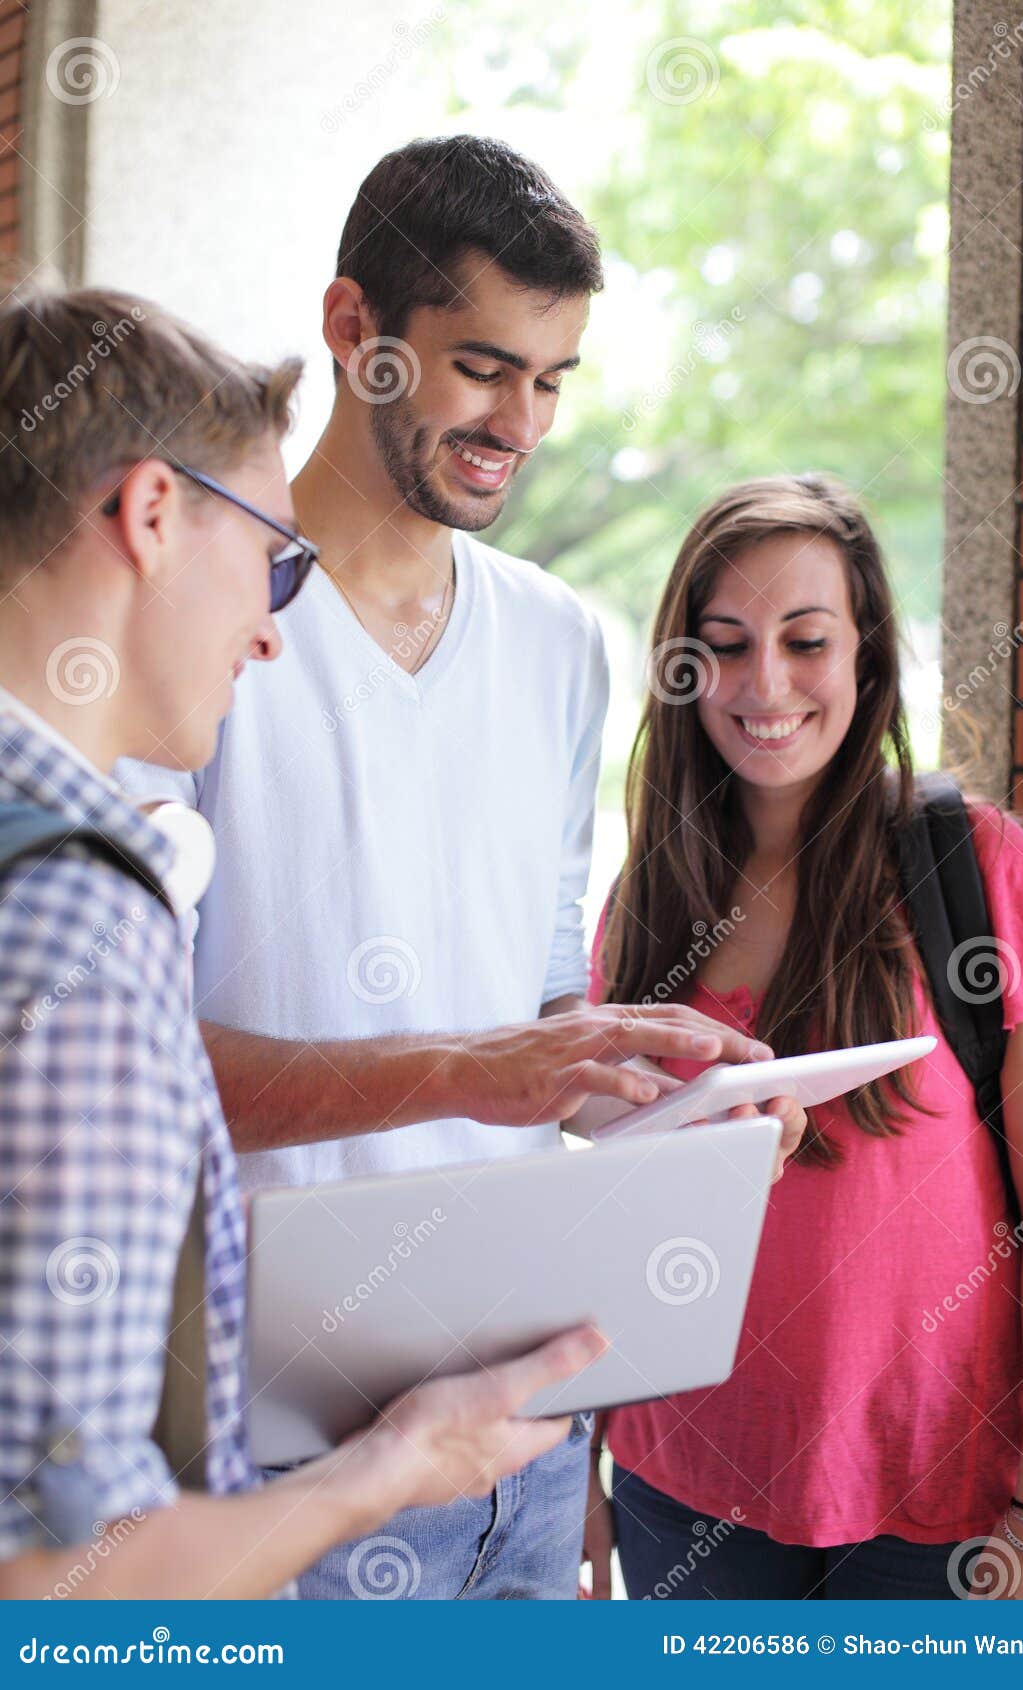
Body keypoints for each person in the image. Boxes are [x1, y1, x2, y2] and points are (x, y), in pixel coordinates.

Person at [117, 134, 775, 1601]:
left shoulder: (556, 643)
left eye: (551, 380)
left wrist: (676, 1109)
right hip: (267, 1446)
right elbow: (130, 1062)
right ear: (354, 327)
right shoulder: (186, 626)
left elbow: (539, 1011)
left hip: (520, 1428)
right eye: (482, 367)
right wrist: (477, 1069)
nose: (517, 424)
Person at [0, 279, 609, 1600]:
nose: (275, 626)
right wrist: (390, 1469)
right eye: (273, 556)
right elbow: (56, 1586)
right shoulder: (70, 911)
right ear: (150, 516)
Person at [583, 474, 1023, 1601]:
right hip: (678, 1484)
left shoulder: (973, 867)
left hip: (942, 1501)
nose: (764, 684)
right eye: (725, 645)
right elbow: (611, 1212)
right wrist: (582, 1459)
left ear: (866, 657)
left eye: (805, 641)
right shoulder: (646, 902)